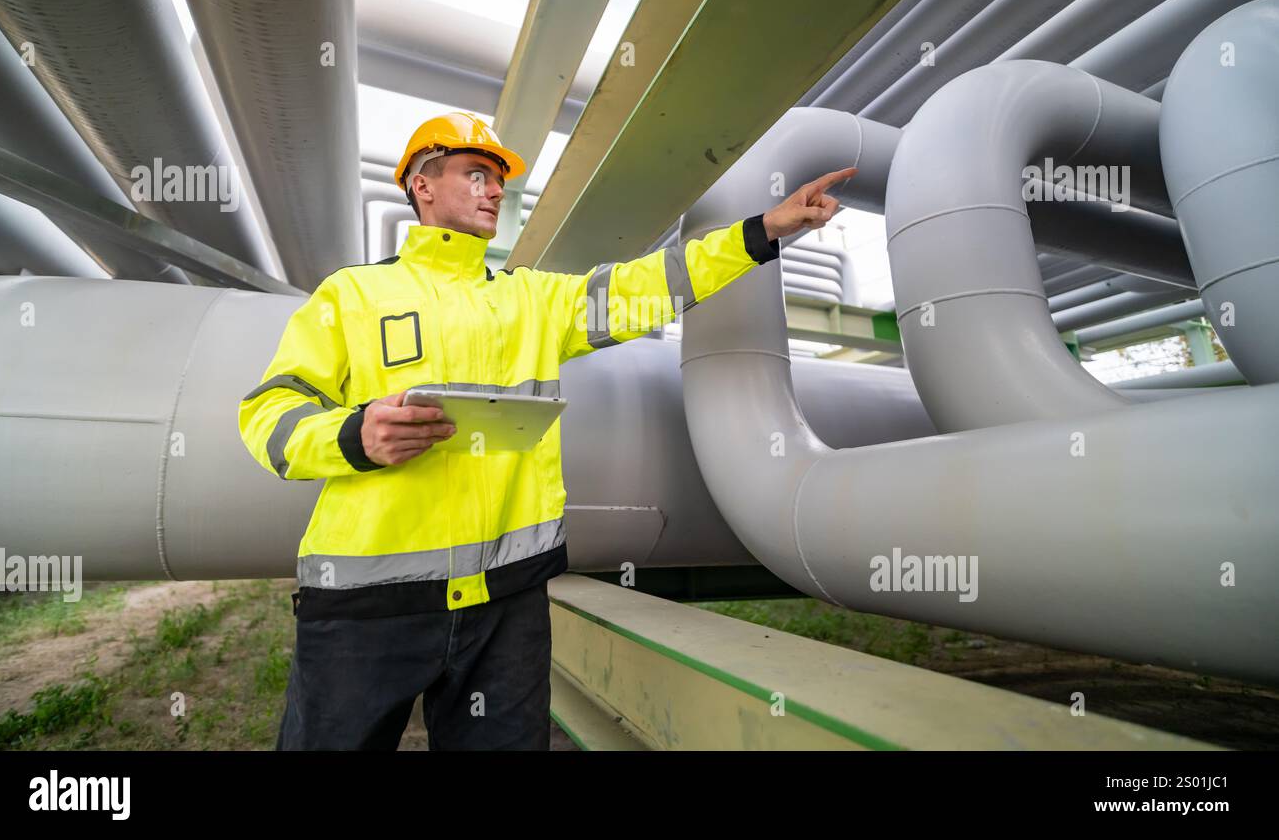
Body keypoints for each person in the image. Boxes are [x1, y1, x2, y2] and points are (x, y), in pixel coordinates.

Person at [237, 110, 855, 750]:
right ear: (423, 185)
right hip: (368, 606)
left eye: (499, 181)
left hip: (506, 606)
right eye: (477, 175)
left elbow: (651, 285)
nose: (495, 191)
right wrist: (353, 437)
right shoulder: (352, 297)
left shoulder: (531, 300)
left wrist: (763, 232)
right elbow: (267, 414)